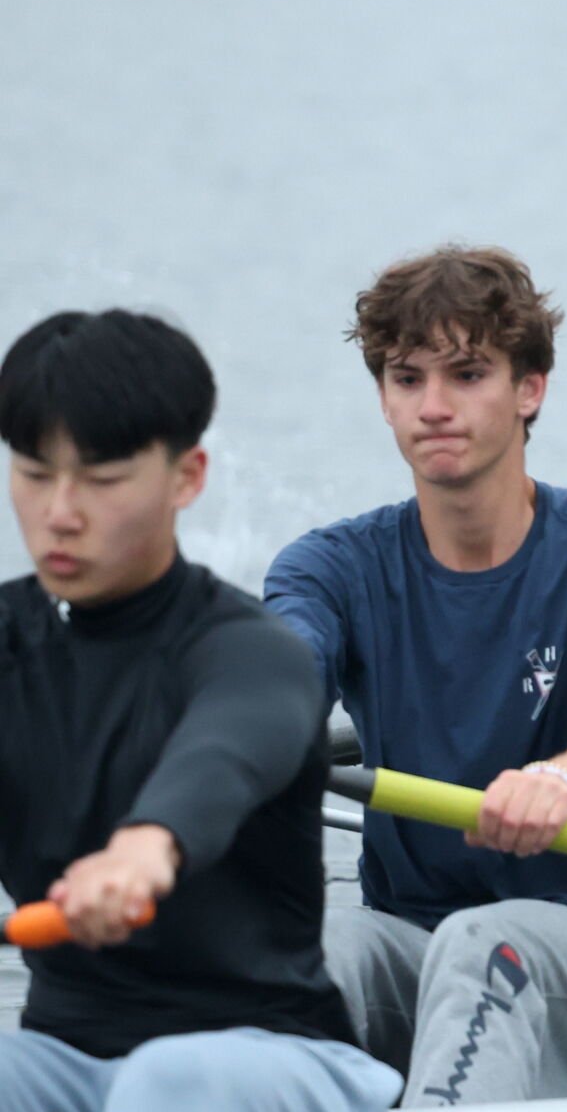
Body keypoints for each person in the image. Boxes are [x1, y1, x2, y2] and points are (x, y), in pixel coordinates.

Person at [263, 248, 567, 1104]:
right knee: (302, 952)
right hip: (408, 938)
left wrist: (563, 780)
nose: (433, 406)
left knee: (480, 942)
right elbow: (273, 689)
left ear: (529, 387)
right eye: (406, 376)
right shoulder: (327, 566)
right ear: (383, 396)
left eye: (466, 373)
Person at [0, 311, 400, 1111]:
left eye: (102, 479)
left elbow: (221, 752)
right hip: (62, 1056)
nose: (61, 512)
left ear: (187, 476)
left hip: (267, 1056)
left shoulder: (252, 653)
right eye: (35, 474)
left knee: (167, 1081)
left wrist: (147, 848)